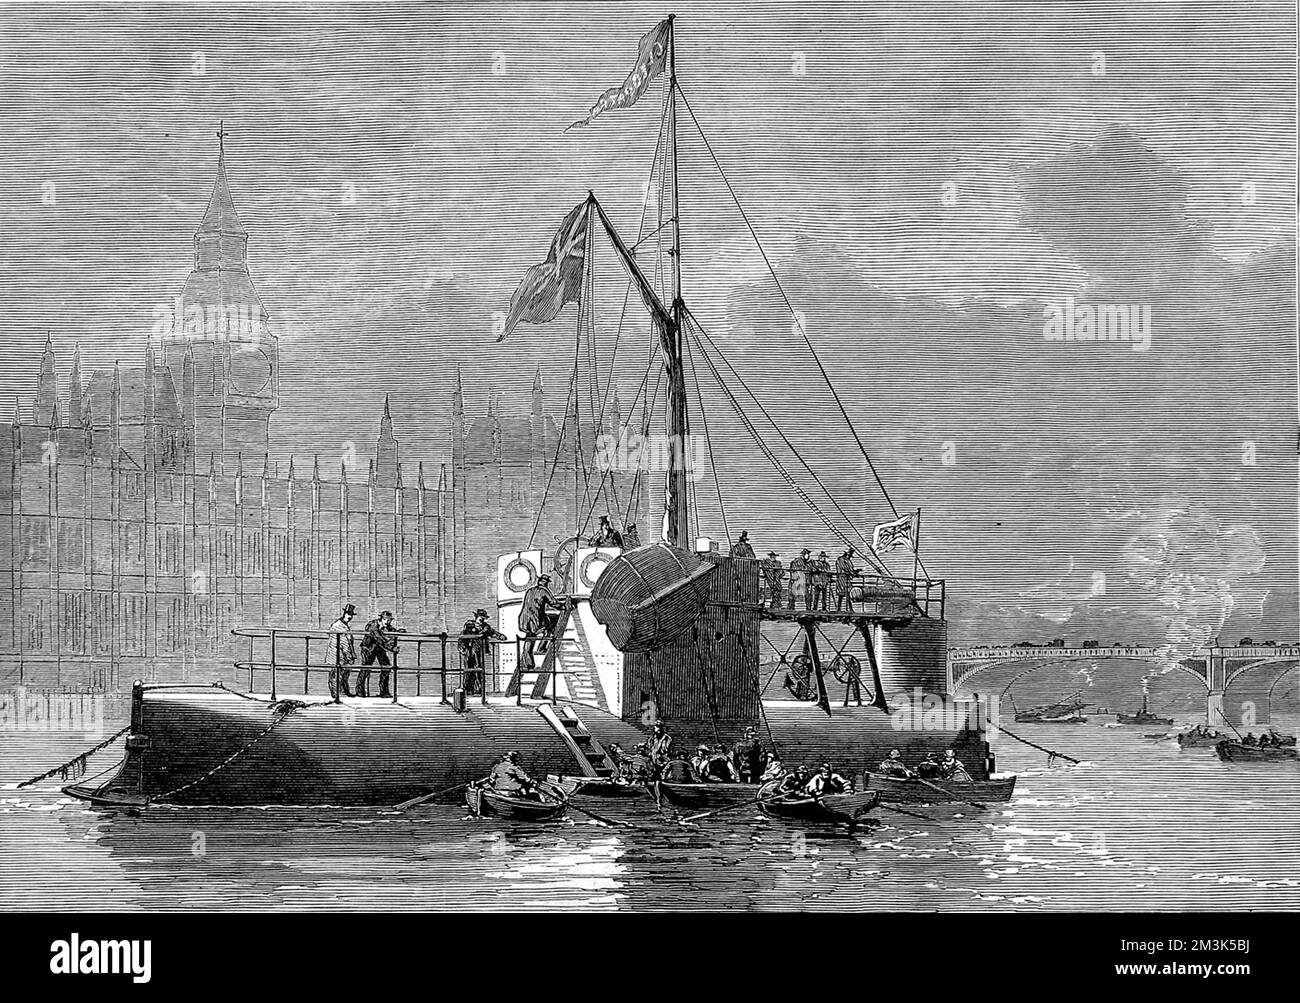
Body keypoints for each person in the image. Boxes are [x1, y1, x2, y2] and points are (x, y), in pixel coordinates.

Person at [519, 573, 565, 671]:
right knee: (549, 629)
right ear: (546, 583)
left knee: (530, 639)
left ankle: (529, 664)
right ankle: (542, 647)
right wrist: (564, 606)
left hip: (525, 620)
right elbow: (554, 603)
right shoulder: (544, 591)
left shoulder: (530, 590)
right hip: (536, 620)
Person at [459, 608, 505, 695]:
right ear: (477, 617)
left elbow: (493, 632)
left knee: (479, 670)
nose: (482, 620)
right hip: (470, 650)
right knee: (469, 670)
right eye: (481, 618)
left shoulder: (485, 627)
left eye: (483, 618)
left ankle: (479, 690)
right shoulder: (470, 625)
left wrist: (500, 636)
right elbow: (462, 637)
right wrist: (462, 648)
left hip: (479, 651)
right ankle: (468, 690)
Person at [357, 610, 399, 698]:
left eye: (389, 620)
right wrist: (391, 648)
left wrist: (397, 632)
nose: (387, 622)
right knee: (365, 669)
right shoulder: (372, 625)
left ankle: (384, 692)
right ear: (381, 619)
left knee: (386, 667)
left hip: (379, 649)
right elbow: (378, 637)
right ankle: (360, 691)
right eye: (385, 620)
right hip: (368, 648)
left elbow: (391, 634)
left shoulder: (388, 627)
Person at [328, 603, 358, 699]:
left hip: (342, 654)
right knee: (336, 674)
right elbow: (344, 643)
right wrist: (349, 656)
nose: (350, 617)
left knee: (344, 674)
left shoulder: (344, 625)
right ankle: (336, 693)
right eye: (348, 614)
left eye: (351, 615)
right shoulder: (338, 626)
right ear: (344, 614)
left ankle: (343, 692)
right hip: (338, 654)